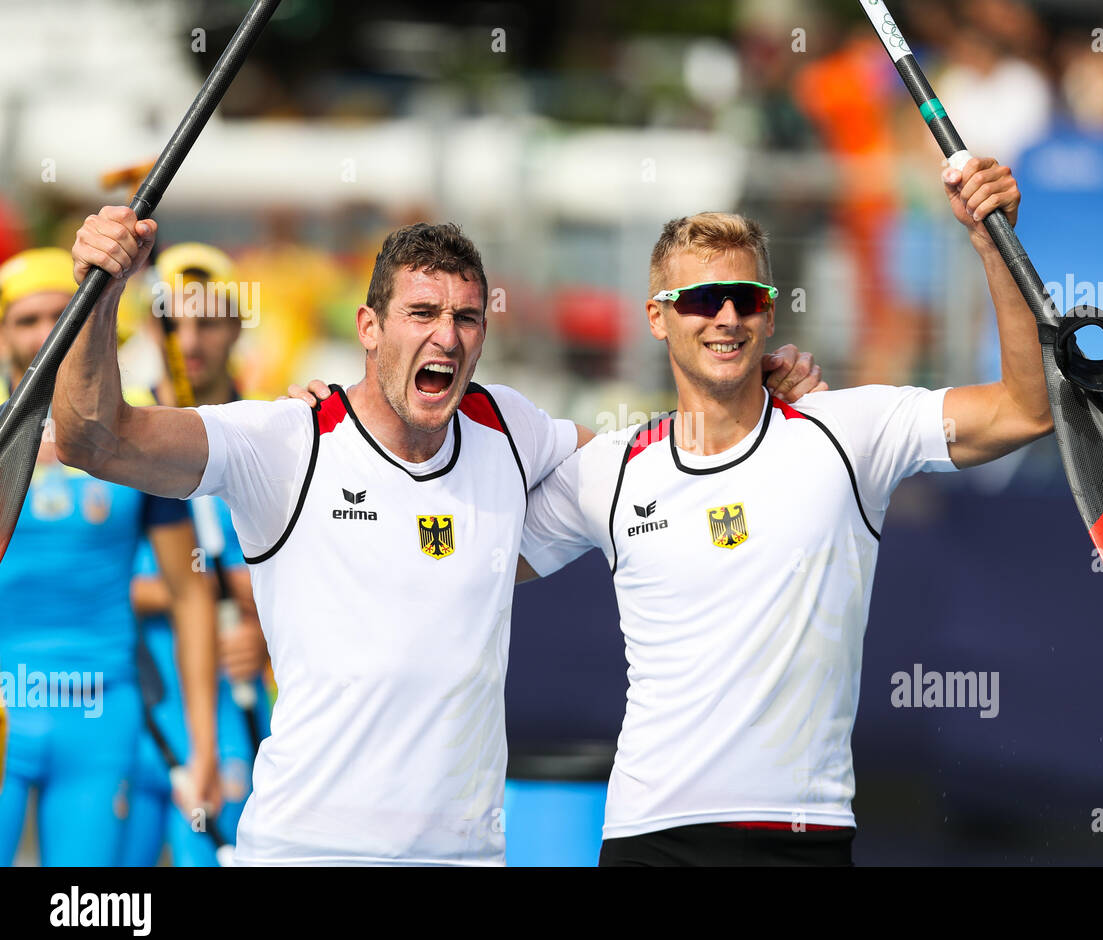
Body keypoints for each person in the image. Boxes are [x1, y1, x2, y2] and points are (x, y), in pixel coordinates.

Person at [54, 212, 823, 865]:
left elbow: (657, 468)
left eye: (466, 317)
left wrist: (754, 400)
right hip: (305, 850)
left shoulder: (506, 425)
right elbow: (94, 437)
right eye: (421, 314)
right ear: (368, 327)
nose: (446, 338)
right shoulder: (286, 439)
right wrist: (100, 289)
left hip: (464, 853)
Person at [515, 157, 1052, 866]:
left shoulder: (848, 430)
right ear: (657, 316)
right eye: (702, 299)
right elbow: (471, 557)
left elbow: (1024, 410)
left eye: (746, 298)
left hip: (803, 836)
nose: (727, 316)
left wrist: (991, 245)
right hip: (649, 839)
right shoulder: (609, 471)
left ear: (770, 312)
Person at [0, 247, 218, 866]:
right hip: (4, 709)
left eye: (59, 315)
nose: (46, 332)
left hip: (100, 716)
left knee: (86, 908)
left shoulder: (129, 450)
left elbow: (189, 591)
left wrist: (200, 743)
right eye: (27, 320)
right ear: (3, 335)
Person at [121, 242, 272, 867]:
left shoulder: (275, 431)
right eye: (172, 321)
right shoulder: (118, 431)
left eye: (207, 320)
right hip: (134, 695)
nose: (189, 341)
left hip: (233, 704)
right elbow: (93, 579)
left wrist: (261, 625)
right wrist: (192, 593)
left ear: (236, 325)